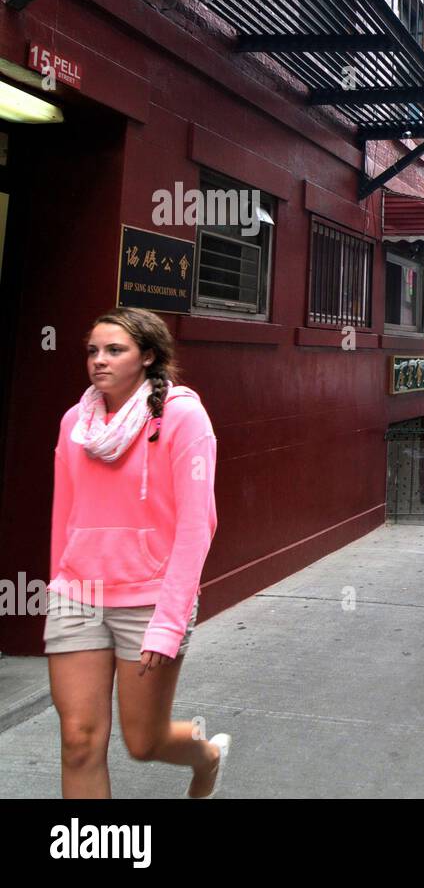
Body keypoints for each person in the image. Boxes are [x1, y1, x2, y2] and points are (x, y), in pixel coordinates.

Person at [46, 307, 229, 799]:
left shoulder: (182, 416)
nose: (98, 361)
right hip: (77, 595)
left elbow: (197, 526)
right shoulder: (74, 424)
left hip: (149, 600)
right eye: (92, 351)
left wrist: (169, 622)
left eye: (114, 350)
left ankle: (205, 755)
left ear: (148, 357)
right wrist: (56, 585)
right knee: (78, 741)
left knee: (144, 742)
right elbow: (64, 513)